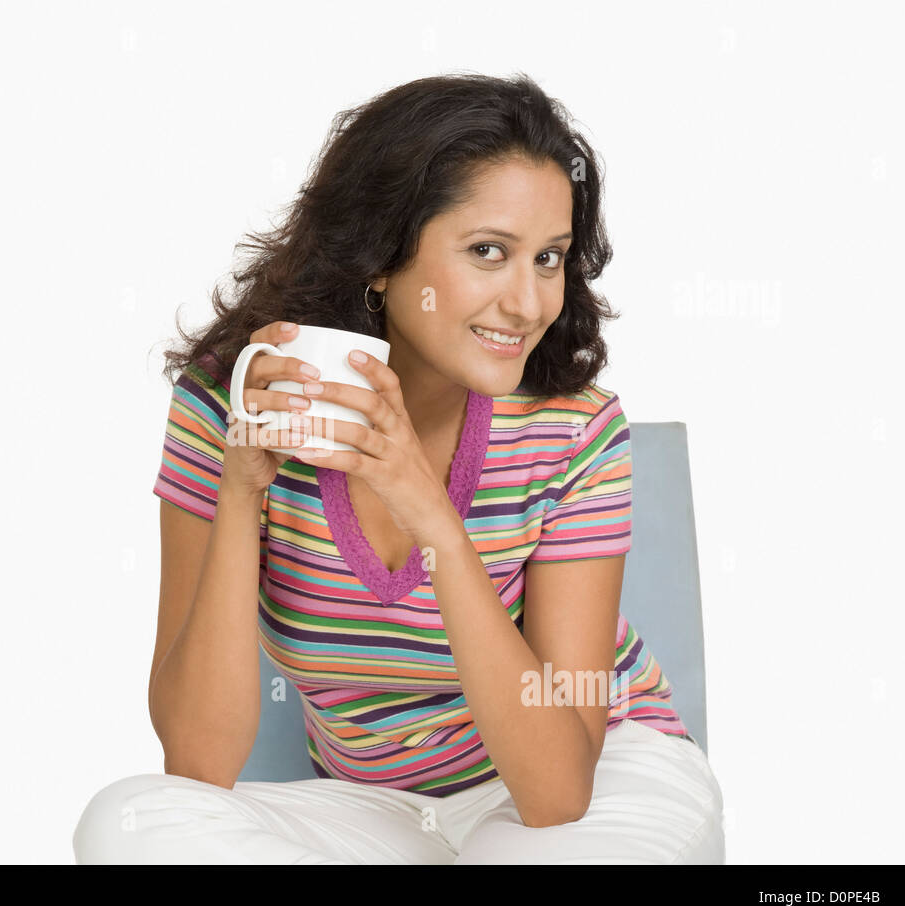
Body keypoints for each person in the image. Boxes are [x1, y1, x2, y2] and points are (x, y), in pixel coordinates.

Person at [73, 72, 724, 864]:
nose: (527, 302)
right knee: (131, 819)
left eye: (548, 258)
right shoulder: (235, 397)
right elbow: (198, 763)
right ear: (381, 256)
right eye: (489, 252)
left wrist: (436, 523)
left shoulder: (572, 428)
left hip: (601, 781)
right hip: (374, 808)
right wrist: (240, 491)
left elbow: (559, 790)